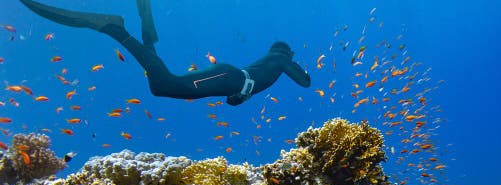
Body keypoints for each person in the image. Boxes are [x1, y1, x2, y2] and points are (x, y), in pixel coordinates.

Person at [20, 0, 311, 106]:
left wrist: (238, 97)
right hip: (230, 76)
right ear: (287, 52)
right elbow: (305, 81)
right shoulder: (280, 59)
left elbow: (233, 102)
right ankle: (115, 29)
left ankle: (148, 33)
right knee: (164, 85)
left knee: (161, 85)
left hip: (231, 80)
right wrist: (299, 68)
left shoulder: (270, 61)